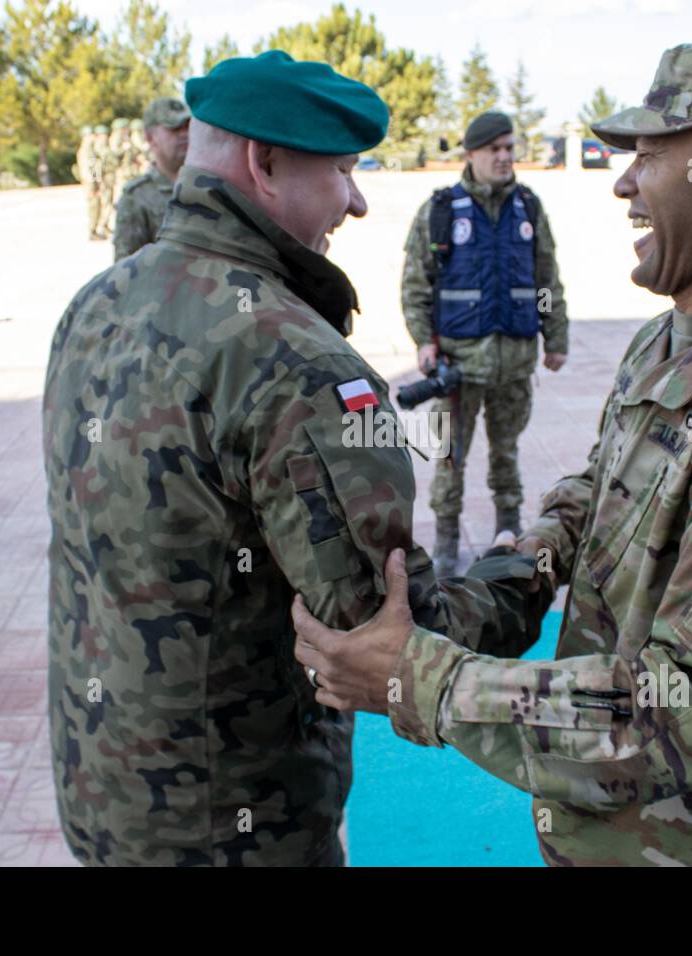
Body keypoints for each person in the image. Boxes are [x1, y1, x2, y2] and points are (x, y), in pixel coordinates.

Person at [293, 39, 692, 867]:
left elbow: (683, 717)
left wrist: (420, 678)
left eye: (650, 157)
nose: (623, 183)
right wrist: (529, 565)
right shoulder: (672, 340)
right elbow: (607, 489)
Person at [43, 51, 538, 867]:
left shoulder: (96, 305)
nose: (358, 200)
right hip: (234, 823)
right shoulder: (297, 363)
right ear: (264, 163)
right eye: (343, 170)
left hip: (102, 790)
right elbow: (384, 635)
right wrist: (528, 573)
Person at [401, 111, 569, 574]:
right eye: (493, 149)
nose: (504, 156)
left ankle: (507, 533)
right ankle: (447, 546)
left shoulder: (528, 209)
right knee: (450, 458)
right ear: (471, 154)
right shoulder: (440, 210)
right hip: (458, 365)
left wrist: (555, 338)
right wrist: (422, 341)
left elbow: (546, 281)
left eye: (509, 148)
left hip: (514, 364)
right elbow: (416, 283)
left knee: (506, 454)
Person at [113, 97, 190, 261]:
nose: (184, 134)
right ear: (150, 137)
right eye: (174, 128)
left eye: (187, 126)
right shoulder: (137, 197)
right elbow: (125, 272)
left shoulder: (210, 186)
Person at [88, 125, 111, 240]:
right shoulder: (90, 150)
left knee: (98, 206)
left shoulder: (94, 149)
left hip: (96, 181)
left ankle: (95, 229)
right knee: (94, 206)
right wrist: (95, 185)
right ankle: (92, 231)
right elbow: (91, 169)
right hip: (93, 183)